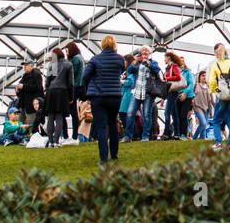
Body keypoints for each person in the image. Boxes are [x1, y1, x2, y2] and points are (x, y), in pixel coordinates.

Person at [80, 35, 124, 165]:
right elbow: (122, 70)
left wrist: (91, 86)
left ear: (102, 45)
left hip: (98, 96)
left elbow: (85, 76)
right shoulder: (119, 59)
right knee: (112, 123)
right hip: (115, 96)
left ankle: (103, 159)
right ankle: (114, 154)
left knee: (101, 126)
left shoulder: (95, 59)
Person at [209, 43, 230, 150]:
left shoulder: (215, 65)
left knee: (216, 120)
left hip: (221, 97)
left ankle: (219, 142)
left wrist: (214, 91)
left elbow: (212, 81)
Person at [124, 46, 161, 142]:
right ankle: (128, 136)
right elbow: (129, 71)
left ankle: (145, 136)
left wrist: (148, 64)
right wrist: (135, 61)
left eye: (146, 51)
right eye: (143, 50)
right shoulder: (137, 63)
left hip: (147, 92)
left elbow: (157, 70)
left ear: (149, 53)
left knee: (146, 115)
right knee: (130, 113)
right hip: (136, 91)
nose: (144, 52)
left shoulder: (153, 62)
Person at [44, 48, 74, 147]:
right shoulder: (68, 65)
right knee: (59, 117)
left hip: (51, 92)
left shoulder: (52, 65)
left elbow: (47, 82)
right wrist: (71, 96)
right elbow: (70, 83)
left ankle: (50, 141)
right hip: (62, 92)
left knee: (51, 117)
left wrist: (48, 91)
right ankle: (56, 141)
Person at [16, 61, 43, 131]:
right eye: (24, 65)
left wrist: (24, 87)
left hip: (31, 104)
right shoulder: (24, 76)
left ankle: (31, 136)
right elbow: (21, 88)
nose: (24, 67)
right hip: (23, 104)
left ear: (32, 66)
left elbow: (37, 87)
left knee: (31, 122)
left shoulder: (36, 75)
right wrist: (17, 90)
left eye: (26, 65)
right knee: (20, 122)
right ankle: (20, 136)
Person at [67, 42, 84, 139]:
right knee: (74, 112)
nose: (67, 53)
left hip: (75, 87)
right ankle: (75, 133)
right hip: (79, 86)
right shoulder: (80, 58)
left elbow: (71, 73)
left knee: (73, 111)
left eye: (67, 50)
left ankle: (74, 134)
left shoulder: (76, 59)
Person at [192, 70, 212, 140]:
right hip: (197, 107)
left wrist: (211, 110)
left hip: (206, 108)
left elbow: (210, 99)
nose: (204, 77)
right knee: (203, 123)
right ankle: (194, 138)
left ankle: (201, 140)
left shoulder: (208, 87)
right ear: (199, 77)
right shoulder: (196, 85)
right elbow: (191, 95)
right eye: (202, 75)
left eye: (205, 76)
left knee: (204, 127)